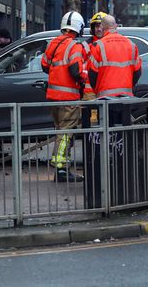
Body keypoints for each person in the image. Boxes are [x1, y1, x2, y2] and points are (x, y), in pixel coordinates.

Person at [41, 11, 87, 183]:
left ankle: (61, 168)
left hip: (53, 96)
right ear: (78, 27)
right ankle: (60, 168)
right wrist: (84, 80)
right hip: (68, 97)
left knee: (60, 131)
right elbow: (76, 70)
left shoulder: (53, 43)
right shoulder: (74, 46)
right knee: (66, 132)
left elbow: (45, 66)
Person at [81, 12, 108, 101]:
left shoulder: (110, 44)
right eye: (96, 26)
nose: (99, 29)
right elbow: (80, 67)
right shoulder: (85, 46)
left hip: (107, 89)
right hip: (90, 92)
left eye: (101, 26)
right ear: (92, 28)